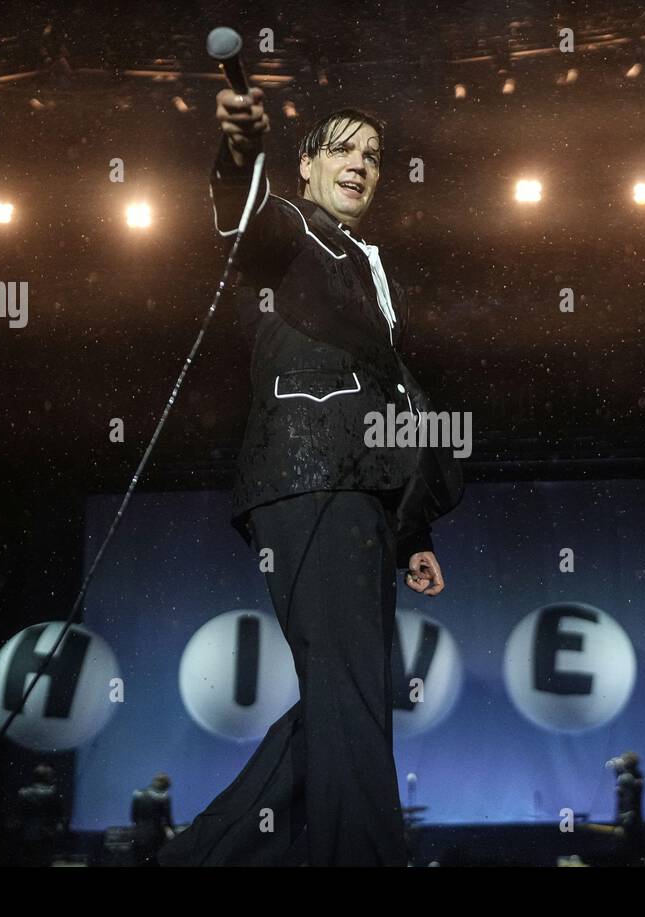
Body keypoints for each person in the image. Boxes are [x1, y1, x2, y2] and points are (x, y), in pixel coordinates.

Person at [157, 87, 462, 867]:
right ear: (307, 165)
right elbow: (244, 215)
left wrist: (412, 527)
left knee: (347, 698)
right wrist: (236, 150)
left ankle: (197, 859)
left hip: (360, 497)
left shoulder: (368, 264)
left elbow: (384, 393)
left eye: (373, 157)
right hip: (306, 482)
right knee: (352, 696)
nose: (360, 166)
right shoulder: (293, 230)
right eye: (344, 151)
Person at [130, 772, 175, 866]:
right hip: (155, 836)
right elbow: (168, 820)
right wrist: (170, 831)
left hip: (138, 835)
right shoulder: (164, 797)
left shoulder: (138, 794)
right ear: (165, 785)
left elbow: (133, 817)